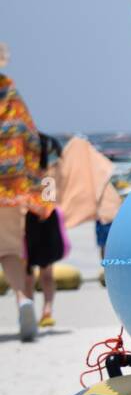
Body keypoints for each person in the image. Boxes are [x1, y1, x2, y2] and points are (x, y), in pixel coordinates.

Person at [0, 54, 42, 342]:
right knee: (9, 253)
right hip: (9, 188)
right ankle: (22, 300)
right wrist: (33, 185)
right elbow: (30, 138)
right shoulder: (9, 92)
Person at [23, 134, 68, 328]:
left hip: (32, 222)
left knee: (29, 273)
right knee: (43, 273)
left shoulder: (31, 172)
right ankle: (43, 311)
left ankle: (36, 310)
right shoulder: (50, 170)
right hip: (45, 222)